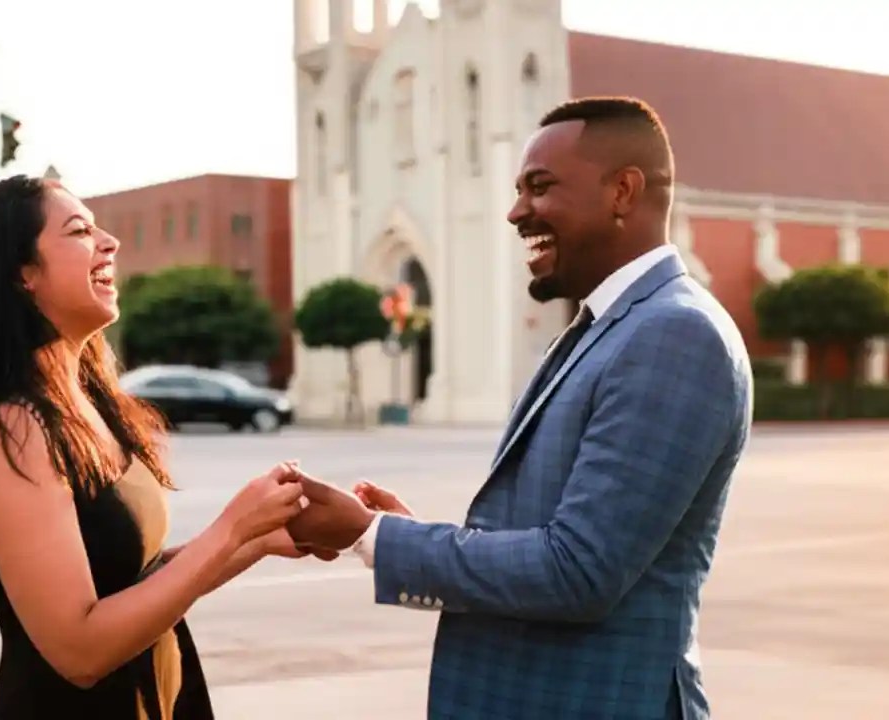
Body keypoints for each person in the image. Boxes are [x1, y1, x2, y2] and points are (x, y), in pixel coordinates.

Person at [287, 97, 753, 719]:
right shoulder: (609, 326)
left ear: (622, 191)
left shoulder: (674, 335)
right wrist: (415, 534)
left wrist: (373, 536)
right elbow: (556, 535)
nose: (515, 212)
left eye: (540, 187)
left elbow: (579, 570)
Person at [0, 175, 311, 720]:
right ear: (23, 274)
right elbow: (80, 651)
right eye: (80, 230)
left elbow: (130, 582)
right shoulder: (8, 429)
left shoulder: (86, 401)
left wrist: (257, 538)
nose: (110, 242)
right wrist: (229, 532)